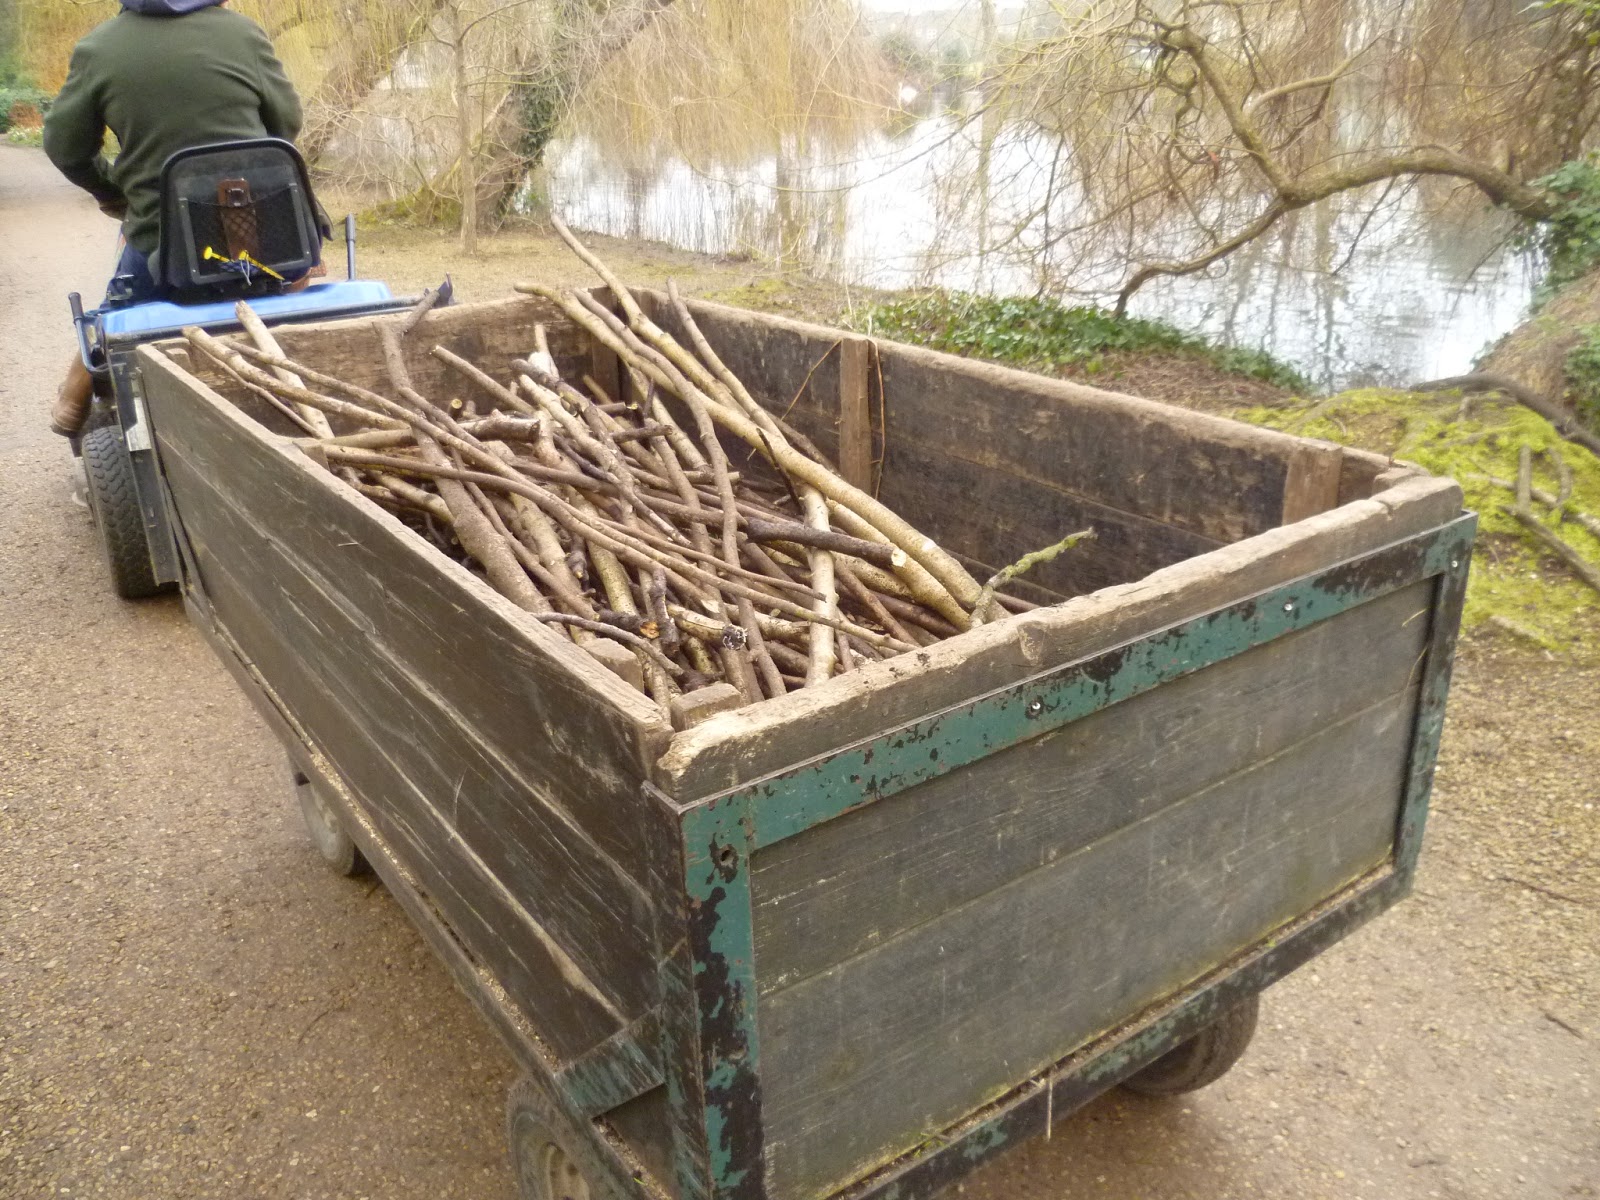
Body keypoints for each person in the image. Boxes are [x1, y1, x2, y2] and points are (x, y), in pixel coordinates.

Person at [42, 0, 304, 437]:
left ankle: (75, 395)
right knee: (301, 265)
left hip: (163, 242)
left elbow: (65, 148)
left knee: (126, 298)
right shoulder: (243, 32)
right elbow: (286, 123)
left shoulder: (98, 48)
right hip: (272, 235)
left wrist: (113, 192)